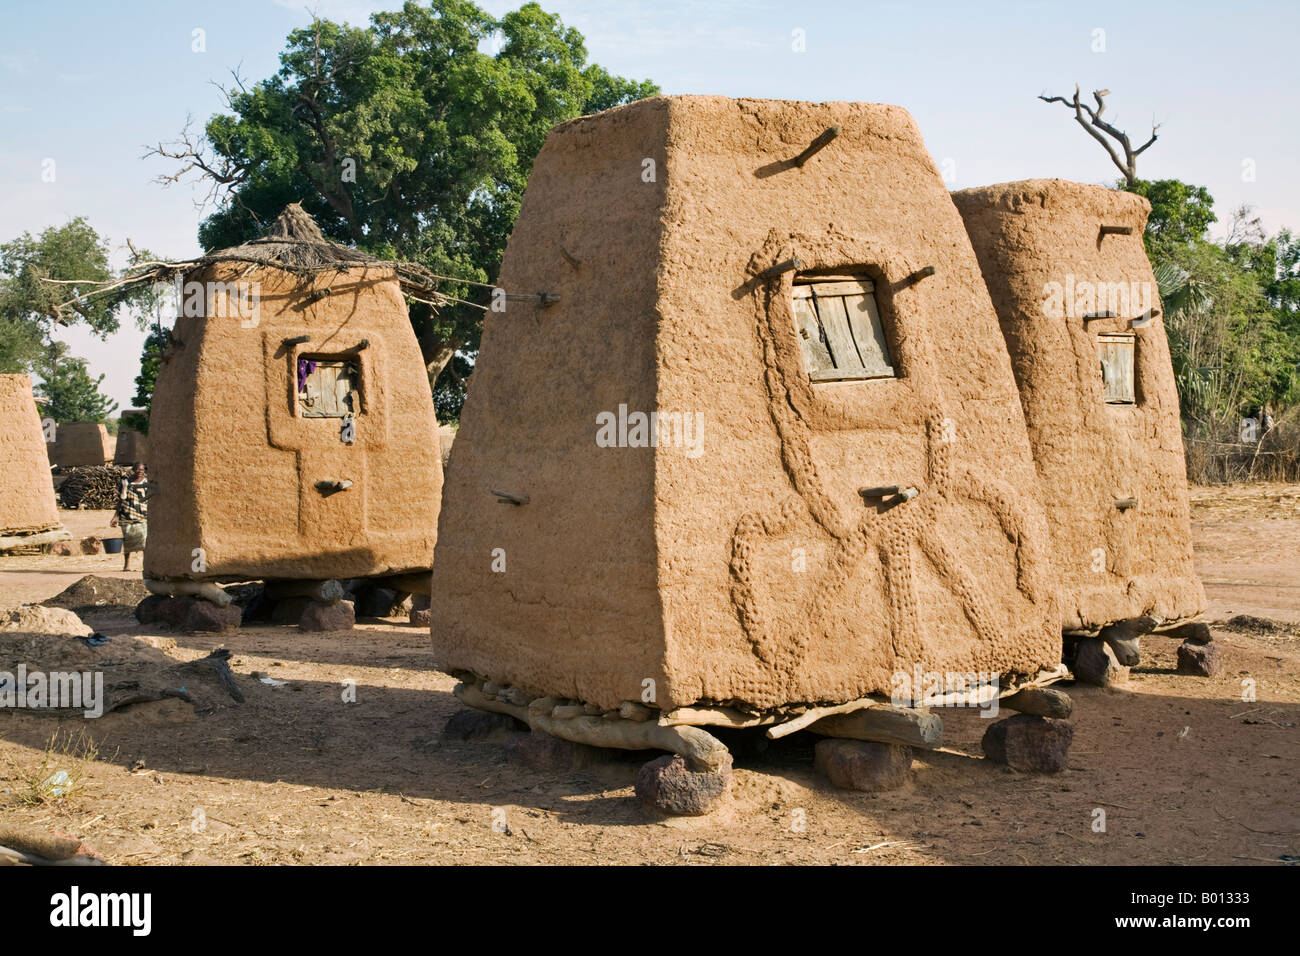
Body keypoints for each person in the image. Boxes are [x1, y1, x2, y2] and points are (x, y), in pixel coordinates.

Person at [110, 462, 151, 571]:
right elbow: (121, 500)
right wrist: (115, 516)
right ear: (133, 470)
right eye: (138, 470)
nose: (140, 472)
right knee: (127, 541)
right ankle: (127, 565)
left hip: (142, 515)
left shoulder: (146, 483)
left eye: (142, 470)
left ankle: (145, 565)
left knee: (144, 541)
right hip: (127, 515)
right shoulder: (125, 483)